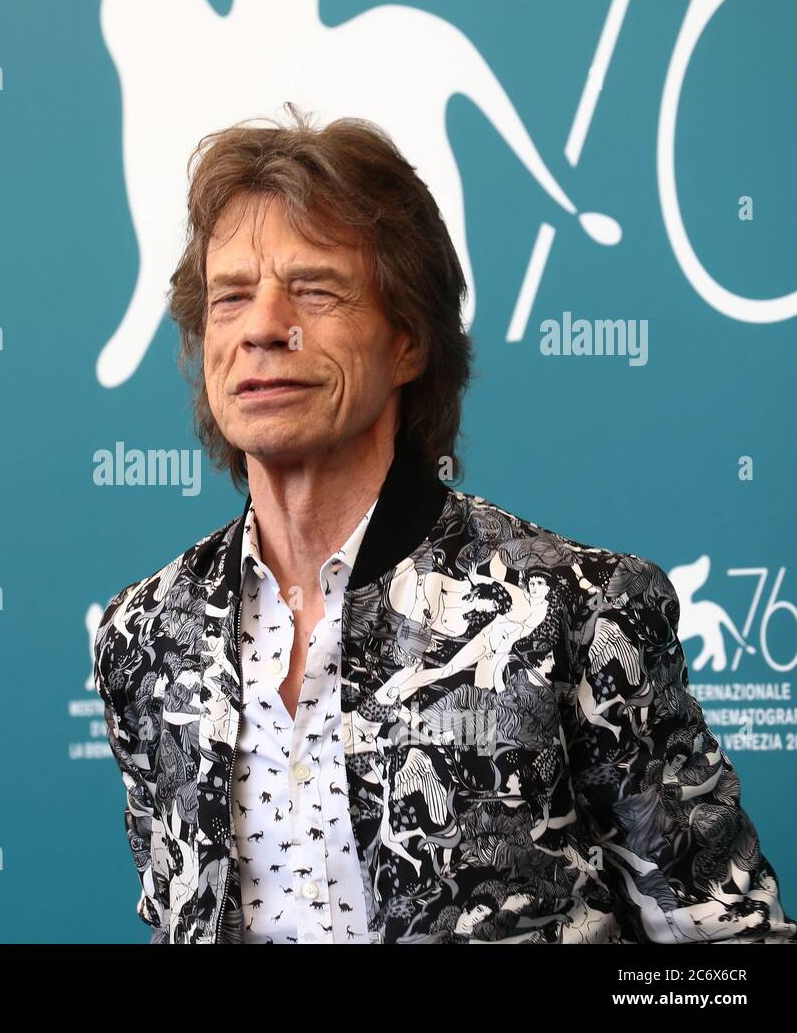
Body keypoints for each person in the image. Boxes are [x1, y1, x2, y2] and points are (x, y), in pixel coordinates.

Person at [92, 105, 794, 944]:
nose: (263, 327)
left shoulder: (574, 608)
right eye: (231, 296)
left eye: (314, 288)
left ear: (408, 343)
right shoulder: (143, 636)